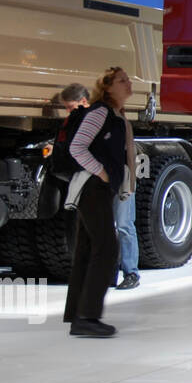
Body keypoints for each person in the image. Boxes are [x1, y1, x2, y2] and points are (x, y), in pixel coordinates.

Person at [61, 67, 132, 337]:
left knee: (88, 249)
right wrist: (101, 172)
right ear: (107, 87)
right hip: (93, 189)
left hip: (100, 189)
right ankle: (87, 317)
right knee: (106, 249)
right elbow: (77, 146)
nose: (128, 84)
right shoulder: (100, 112)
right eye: (121, 80)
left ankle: (77, 314)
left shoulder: (116, 115)